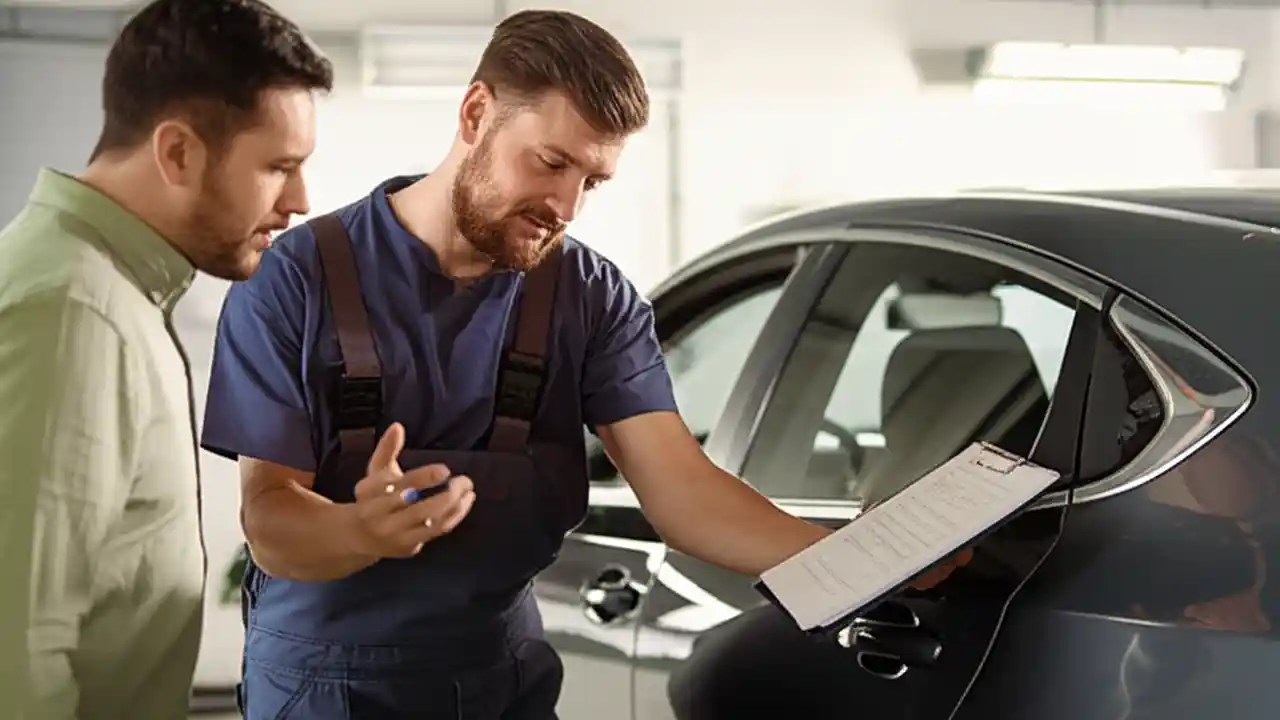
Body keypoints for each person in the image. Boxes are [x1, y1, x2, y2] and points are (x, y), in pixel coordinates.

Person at [202, 9, 967, 719]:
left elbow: (684, 494)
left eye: (591, 182)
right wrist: (361, 529)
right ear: (475, 115)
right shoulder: (296, 279)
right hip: (326, 690)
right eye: (550, 163)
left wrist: (858, 559)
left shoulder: (589, 297)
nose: (565, 206)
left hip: (500, 679)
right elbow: (270, 520)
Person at [0, 1, 332, 717]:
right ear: (177, 152)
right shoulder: (73, 311)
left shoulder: (103, 290)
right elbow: (16, 643)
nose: (300, 200)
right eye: (280, 168)